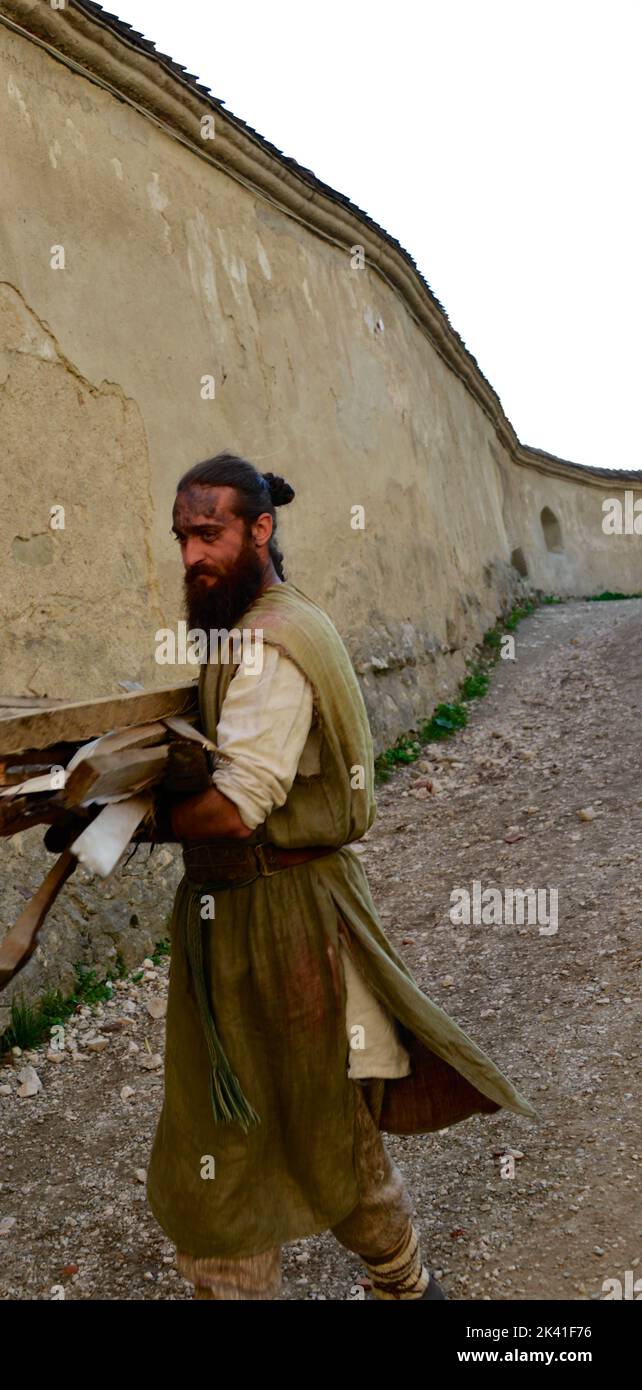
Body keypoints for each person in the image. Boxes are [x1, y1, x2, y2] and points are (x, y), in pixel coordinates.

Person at [143, 451, 539, 1300]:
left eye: (207, 534)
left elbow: (238, 805)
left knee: (249, 1136)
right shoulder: (268, 624)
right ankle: (406, 1287)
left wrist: (130, 822)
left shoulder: (269, 643)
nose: (190, 557)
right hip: (277, 912)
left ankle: (384, 1285)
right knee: (320, 1116)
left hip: (280, 921)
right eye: (181, 538)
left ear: (261, 528)